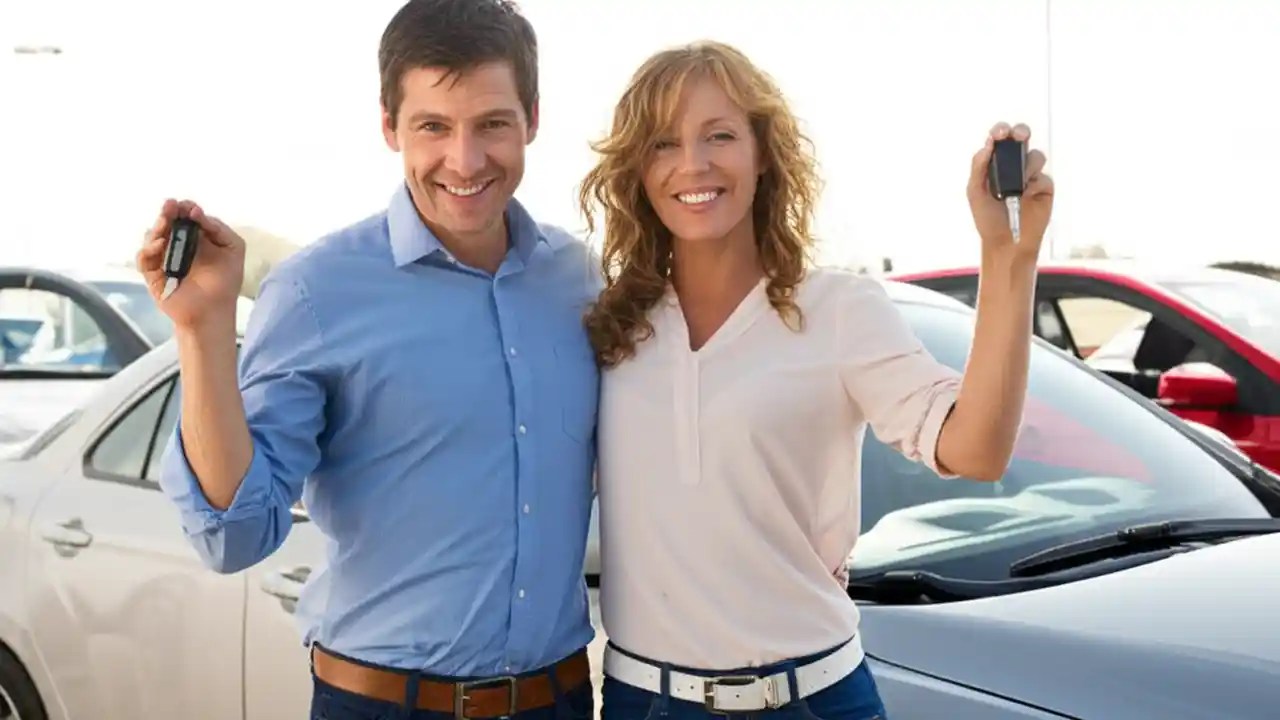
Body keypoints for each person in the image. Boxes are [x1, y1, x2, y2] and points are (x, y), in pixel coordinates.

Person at [135, 1, 600, 718]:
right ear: (390, 127)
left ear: (532, 119)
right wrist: (201, 332)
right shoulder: (318, 292)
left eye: (492, 125)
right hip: (382, 704)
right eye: (433, 127)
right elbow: (233, 536)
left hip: (559, 700)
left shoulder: (579, 283)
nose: (466, 160)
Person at [579, 41, 1053, 720]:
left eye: (720, 135)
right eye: (663, 143)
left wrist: (1008, 258)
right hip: (644, 702)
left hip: (815, 699)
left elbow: (976, 449)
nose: (694, 164)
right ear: (635, 167)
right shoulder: (609, 327)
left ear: (763, 152)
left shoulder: (840, 310)